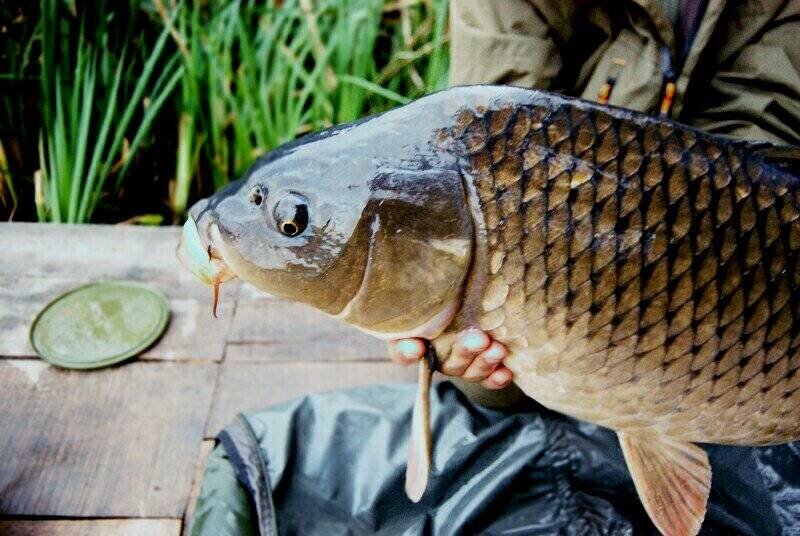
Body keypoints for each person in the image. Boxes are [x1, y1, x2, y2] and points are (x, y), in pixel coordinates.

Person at [388, 0, 800, 404]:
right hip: (558, 265)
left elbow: (758, 173)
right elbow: (492, 142)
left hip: (727, 280)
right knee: (484, 367)